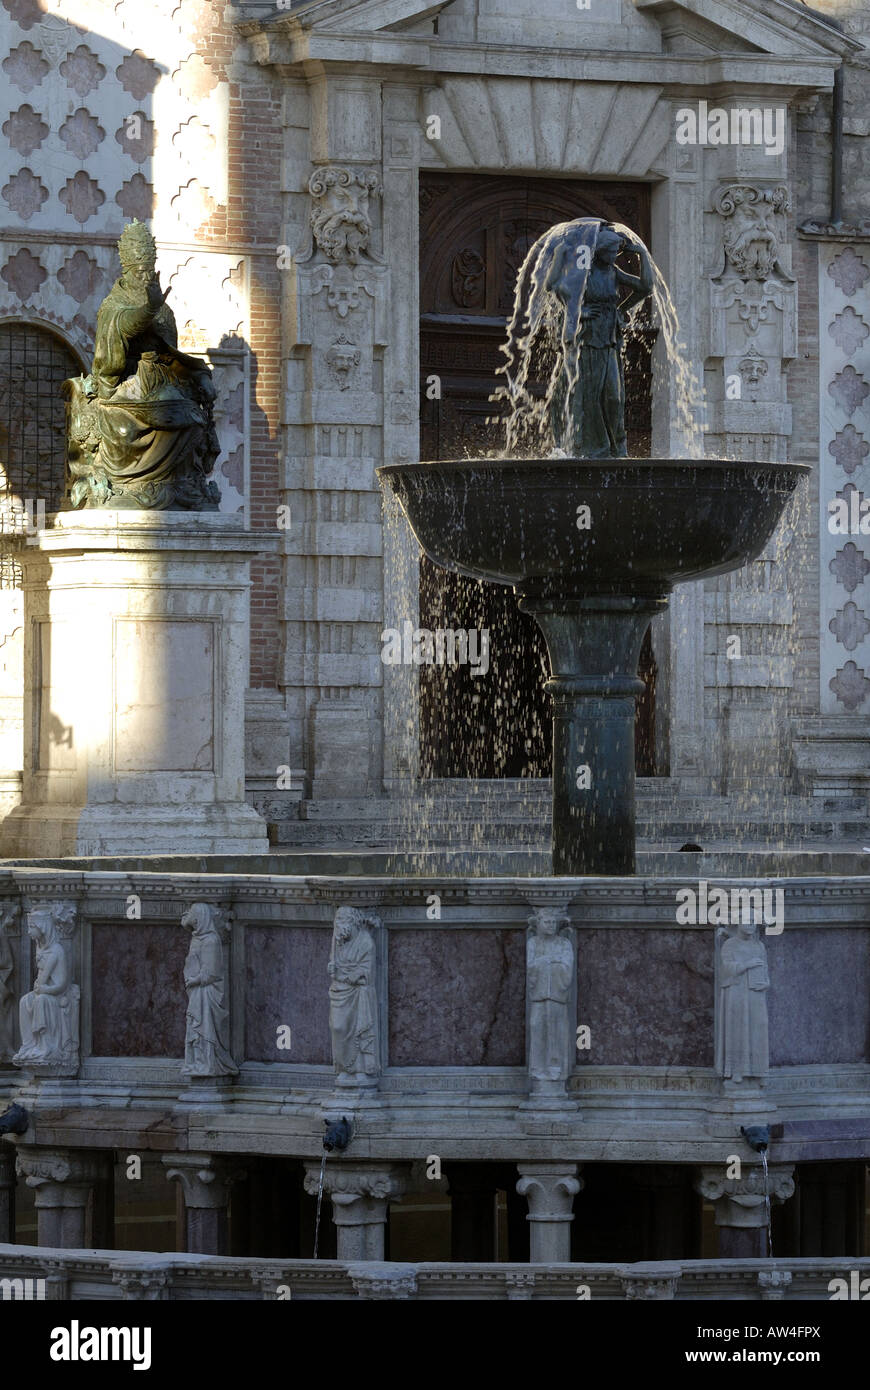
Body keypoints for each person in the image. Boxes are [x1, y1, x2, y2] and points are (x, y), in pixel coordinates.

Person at [65, 219, 220, 510]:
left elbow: (175, 355)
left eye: (149, 269)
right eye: (140, 270)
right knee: (127, 428)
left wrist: (202, 378)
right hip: (125, 381)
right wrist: (147, 309)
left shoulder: (165, 310)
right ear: (127, 270)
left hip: (163, 381)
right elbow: (122, 328)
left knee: (190, 418)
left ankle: (182, 487)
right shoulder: (114, 305)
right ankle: (127, 489)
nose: (145, 274)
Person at [545, 219, 653, 458]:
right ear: (599, 251)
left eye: (617, 251)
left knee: (614, 397)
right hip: (588, 340)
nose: (615, 256)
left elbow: (646, 287)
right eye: (611, 252)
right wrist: (581, 312)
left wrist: (642, 254)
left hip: (609, 340)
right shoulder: (583, 273)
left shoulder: (613, 272)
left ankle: (617, 447)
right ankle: (592, 449)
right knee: (590, 396)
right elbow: (553, 286)